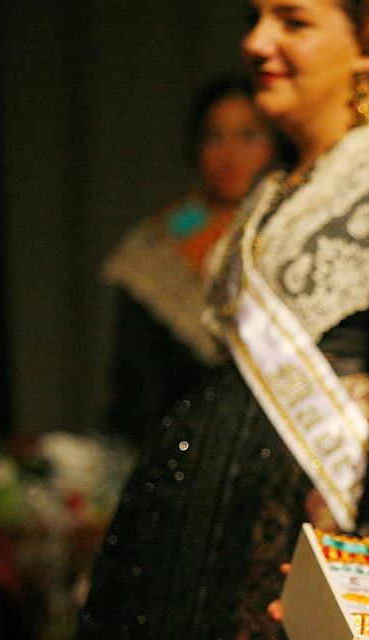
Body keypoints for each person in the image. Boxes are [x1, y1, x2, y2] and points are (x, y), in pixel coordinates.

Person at [69, 0, 369, 640]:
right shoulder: (277, 186)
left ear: (368, 44)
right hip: (194, 550)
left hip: (288, 560)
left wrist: (362, 567)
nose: (259, 42)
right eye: (254, 18)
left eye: (293, 21)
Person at [103, 76, 279, 447]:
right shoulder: (160, 245)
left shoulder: (294, 232)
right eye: (214, 137)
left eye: (248, 136)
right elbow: (136, 385)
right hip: (181, 445)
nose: (230, 155)